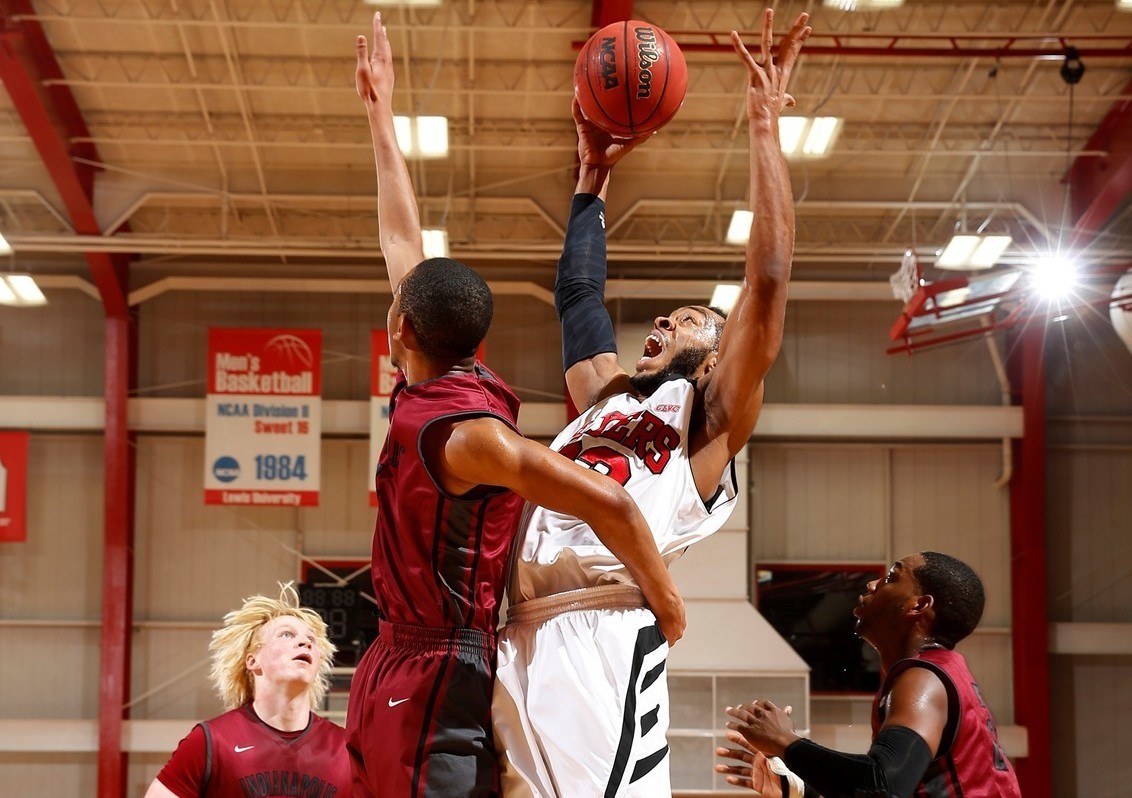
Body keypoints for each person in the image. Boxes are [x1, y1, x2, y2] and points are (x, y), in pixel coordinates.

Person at [349, 14, 685, 798]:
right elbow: (402, 240)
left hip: (441, 663)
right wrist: (378, 117)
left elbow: (610, 501)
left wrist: (668, 607)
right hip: (394, 653)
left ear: (401, 328)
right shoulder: (432, 378)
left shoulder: (470, 435)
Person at [491, 10, 812, 797]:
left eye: (692, 318)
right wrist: (589, 183)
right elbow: (576, 297)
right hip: (514, 629)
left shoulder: (709, 422)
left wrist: (763, 132)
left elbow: (767, 282)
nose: (667, 319)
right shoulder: (604, 397)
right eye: (665, 315)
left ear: (719, 351)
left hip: (604, 627)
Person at [715, 552, 1022, 798]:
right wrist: (797, 789)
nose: (872, 585)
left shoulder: (925, 679)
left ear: (919, 605)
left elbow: (883, 786)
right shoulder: (939, 673)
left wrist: (785, 741)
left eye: (891, 578)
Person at [144, 583, 350, 798]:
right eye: (287, 635)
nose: (304, 643)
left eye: (311, 640)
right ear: (252, 660)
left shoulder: (346, 748)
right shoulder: (212, 741)